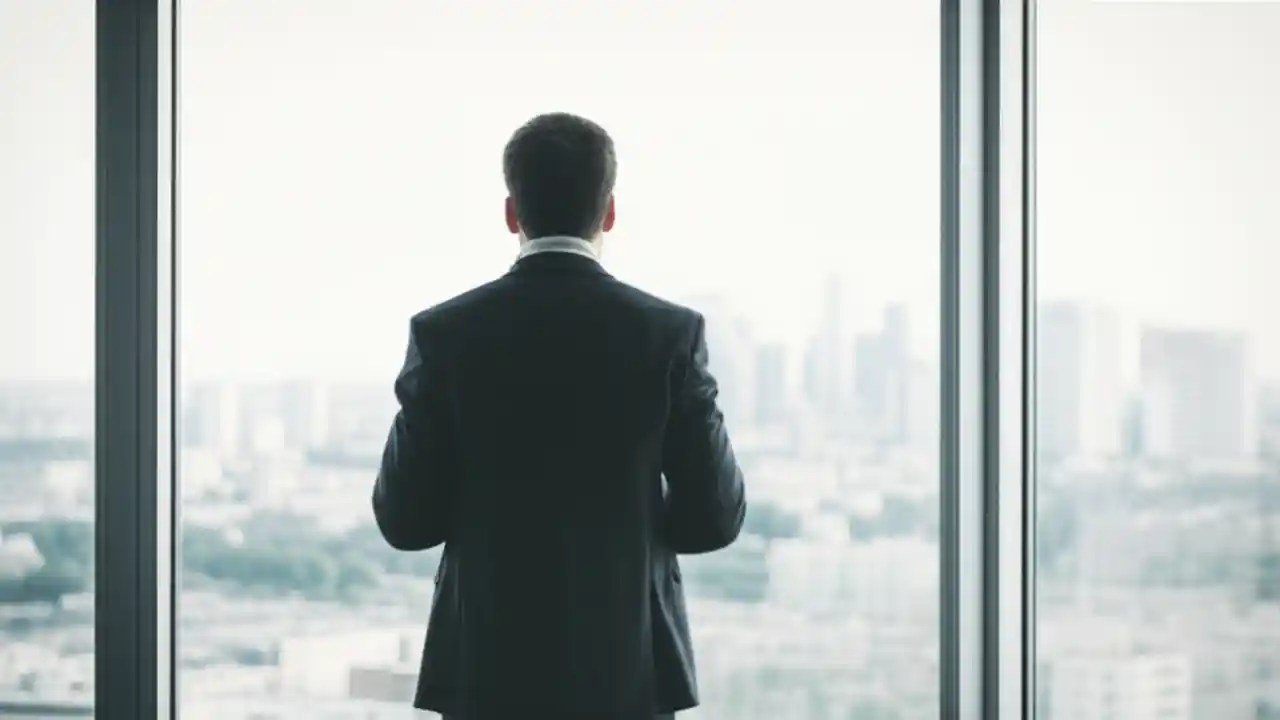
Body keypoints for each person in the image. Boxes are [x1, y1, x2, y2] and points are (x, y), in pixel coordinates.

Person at [372, 112, 747, 719]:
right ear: (610, 212)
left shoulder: (445, 335)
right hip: (630, 670)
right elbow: (714, 521)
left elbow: (405, 522)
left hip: (485, 672)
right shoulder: (669, 336)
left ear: (511, 214)